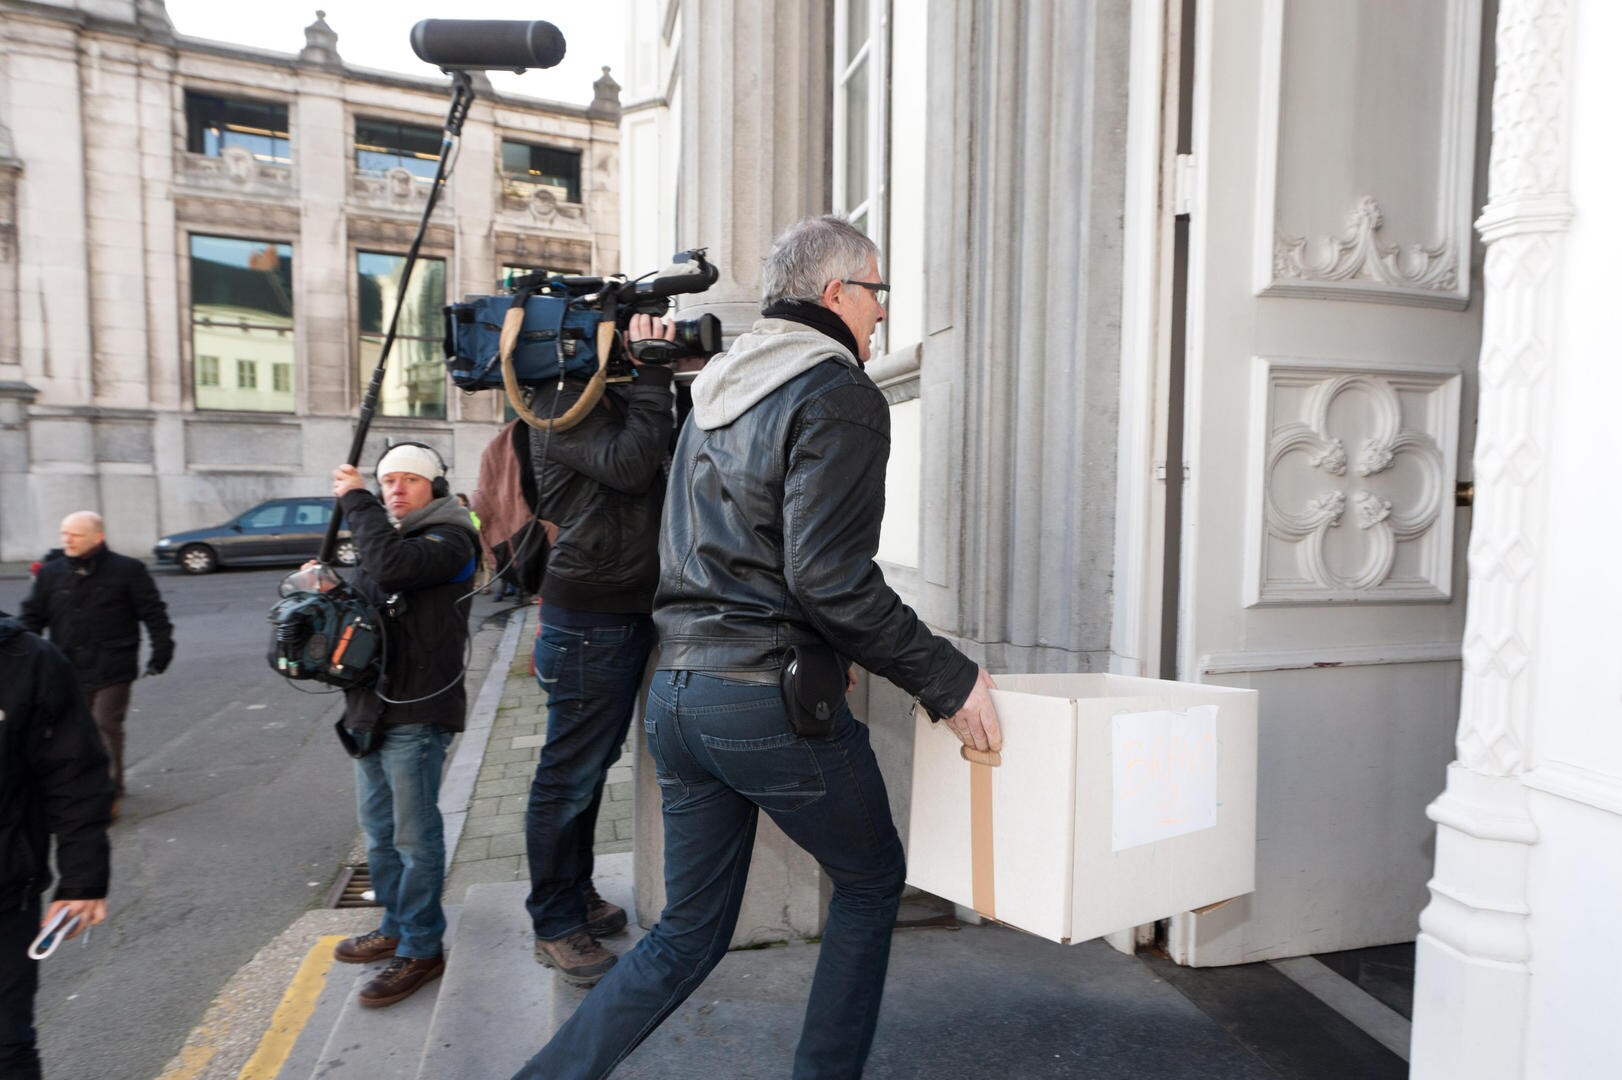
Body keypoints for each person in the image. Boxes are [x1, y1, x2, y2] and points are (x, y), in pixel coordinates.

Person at [516, 215, 1003, 1079]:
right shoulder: (836, 391)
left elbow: (714, 553)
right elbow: (826, 576)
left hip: (677, 696)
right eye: (876, 292)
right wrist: (948, 679)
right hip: (766, 704)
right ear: (836, 294)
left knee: (684, 937)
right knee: (869, 880)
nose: (881, 314)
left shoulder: (714, 395)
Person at [519, 312, 682, 984]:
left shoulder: (602, 397)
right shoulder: (560, 401)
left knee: (584, 772)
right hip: (589, 619)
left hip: (618, 610)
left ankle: (574, 894)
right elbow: (631, 461)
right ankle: (555, 921)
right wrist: (653, 374)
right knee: (567, 776)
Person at [324, 444, 480, 1008]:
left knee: (415, 838)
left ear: (434, 486)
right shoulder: (390, 537)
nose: (395, 489)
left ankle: (421, 947)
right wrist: (326, 592)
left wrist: (355, 500)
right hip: (372, 709)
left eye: (409, 480)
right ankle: (393, 925)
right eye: (387, 481)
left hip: (417, 709)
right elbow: (373, 604)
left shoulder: (452, 538)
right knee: (380, 833)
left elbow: (395, 570)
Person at [0, 612, 114, 1080]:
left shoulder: (27, 660)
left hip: (5, 893)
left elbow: (74, 775)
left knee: (6, 1047)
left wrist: (83, 880)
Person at [19, 511, 174, 815]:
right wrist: (21, 655)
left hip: (113, 664)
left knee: (105, 724)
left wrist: (162, 651)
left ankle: (108, 792)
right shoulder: (51, 573)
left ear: (97, 537)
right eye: (64, 533)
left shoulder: (128, 570)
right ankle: (80, 786)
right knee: (73, 729)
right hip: (67, 664)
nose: (67, 540)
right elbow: (32, 616)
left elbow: (153, 613)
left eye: (75, 534)